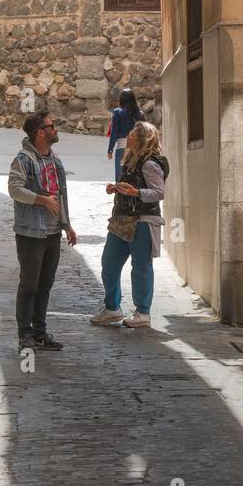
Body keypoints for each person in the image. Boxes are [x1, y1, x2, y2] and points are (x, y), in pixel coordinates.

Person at [7, 111, 77, 352]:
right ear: (39, 132)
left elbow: (60, 195)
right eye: (51, 126)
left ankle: (39, 332)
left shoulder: (55, 161)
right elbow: (14, 189)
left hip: (52, 232)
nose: (55, 129)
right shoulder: (24, 159)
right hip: (31, 233)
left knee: (45, 284)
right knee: (29, 284)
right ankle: (24, 333)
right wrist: (41, 200)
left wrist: (66, 224)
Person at [91, 120, 168, 330]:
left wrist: (135, 193)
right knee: (109, 263)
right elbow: (133, 187)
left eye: (133, 133)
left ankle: (143, 313)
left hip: (142, 221)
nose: (129, 135)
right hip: (122, 220)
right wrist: (116, 188)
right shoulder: (132, 160)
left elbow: (159, 192)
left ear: (142, 139)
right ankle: (112, 308)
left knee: (141, 267)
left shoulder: (149, 164)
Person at [107, 88, 143, 181]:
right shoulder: (140, 114)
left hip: (122, 147)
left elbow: (114, 132)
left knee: (120, 178)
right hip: (137, 148)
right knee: (134, 178)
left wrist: (110, 150)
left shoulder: (118, 113)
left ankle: (120, 195)